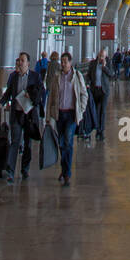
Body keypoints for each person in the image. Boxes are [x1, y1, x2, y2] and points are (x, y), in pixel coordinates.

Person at [0, 52, 43, 182]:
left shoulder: (35, 76)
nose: (20, 63)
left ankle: (25, 169)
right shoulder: (13, 77)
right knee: (15, 141)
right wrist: (1, 102)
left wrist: (32, 96)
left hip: (28, 115)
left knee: (28, 144)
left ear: (28, 63)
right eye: (19, 60)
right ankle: (11, 170)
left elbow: (40, 92)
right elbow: (8, 92)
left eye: (23, 61)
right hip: (16, 113)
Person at [46, 50, 88, 186]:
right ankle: (64, 169)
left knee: (68, 142)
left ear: (70, 63)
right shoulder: (57, 77)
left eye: (65, 62)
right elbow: (51, 97)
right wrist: (48, 115)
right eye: (62, 62)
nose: (63, 64)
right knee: (61, 142)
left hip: (71, 114)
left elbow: (83, 94)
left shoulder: (77, 76)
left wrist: (81, 109)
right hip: (59, 113)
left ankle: (67, 173)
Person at [86, 47, 115, 141]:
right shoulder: (93, 64)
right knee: (94, 110)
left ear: (105, 56)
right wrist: (87, 83)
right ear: (98, 55)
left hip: (104, 91)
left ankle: (101, 131)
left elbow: (111, 74)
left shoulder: (108, 63)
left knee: (102, 110)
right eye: (100, 56)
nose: (101, 58)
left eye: (103, 56)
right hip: (95, 90)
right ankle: (92, 128)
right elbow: (89, 75)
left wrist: (104, 67)